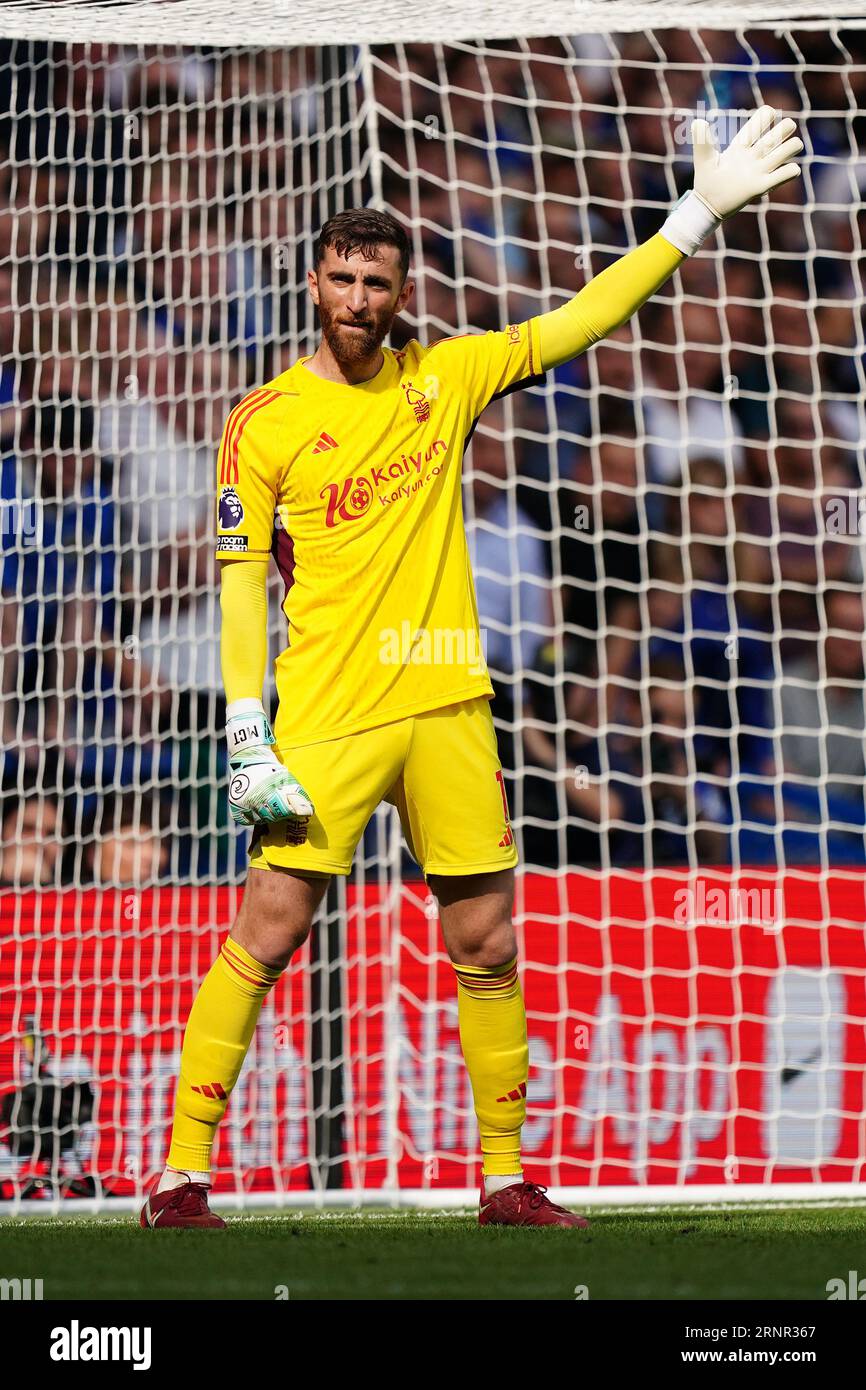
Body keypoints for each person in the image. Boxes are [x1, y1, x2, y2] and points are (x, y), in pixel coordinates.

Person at [140, 106, 802, 1231]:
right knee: (271, 923)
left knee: (486, 937)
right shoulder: (263, 423)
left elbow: (578, 321)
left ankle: (503, 1179)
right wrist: (246, 728)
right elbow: (241, 580)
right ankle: (177, 1176)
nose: (358, 299)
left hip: (447, 701)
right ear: (313, 283)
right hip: (330, 715)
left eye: (377, 282)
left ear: (402, 292)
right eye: (342, 278)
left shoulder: (445, 380)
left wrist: (694, 212)